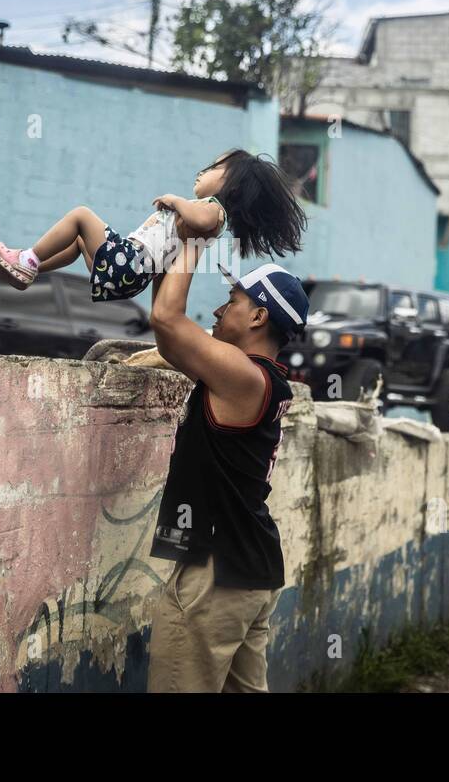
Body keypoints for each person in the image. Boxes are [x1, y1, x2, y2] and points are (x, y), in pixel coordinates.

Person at [144, 235, 309, 692]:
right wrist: (166, 252)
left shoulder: (243, 377)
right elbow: (171, 339)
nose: (218, 310)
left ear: (258, 317)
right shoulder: (260, 379)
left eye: (232, 301)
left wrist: (193, 238)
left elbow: (166, 319)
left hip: (217, 574)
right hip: (251, 570)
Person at [0, 149, 307, 301]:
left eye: (212, 168)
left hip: (130, 261)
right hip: (131, 272)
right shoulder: (197, 216)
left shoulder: (214, 211)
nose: (201, 171)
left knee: (81, 215)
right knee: (79, 241)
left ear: (232, 185)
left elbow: (202, 219)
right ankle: (30, 269)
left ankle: (28, 258)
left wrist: (176, 200)